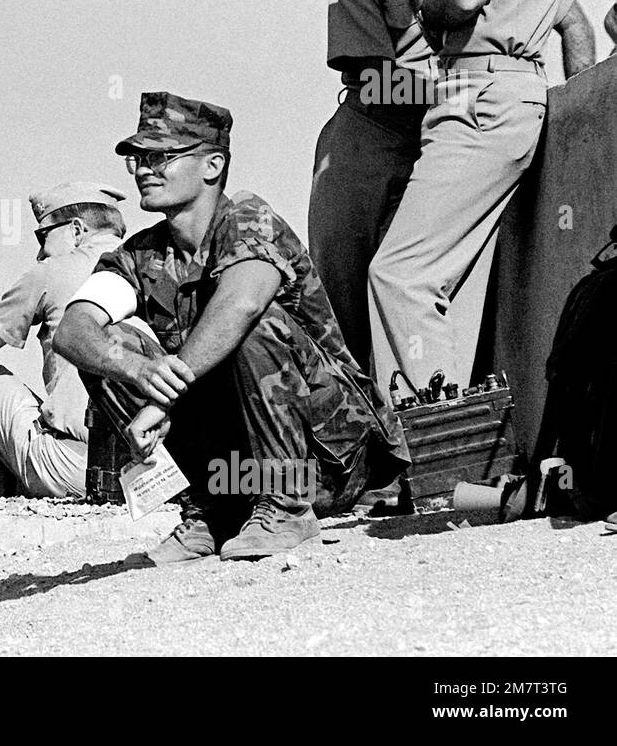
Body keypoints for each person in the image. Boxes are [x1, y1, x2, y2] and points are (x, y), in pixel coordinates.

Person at [54, 92, 409, 563]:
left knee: (254, 325)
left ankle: (286, 508)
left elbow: (242, 302)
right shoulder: (143, 253)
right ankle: (208, 515)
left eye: (161, 156)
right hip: (238, 470)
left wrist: (163, 395)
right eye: (138, 158)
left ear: (212, 165)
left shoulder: (246, 217)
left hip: (333, 457)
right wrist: (137, 371)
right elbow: (73, 328)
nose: (143, 169)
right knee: (113, 347)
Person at [313, 0, 595, 372]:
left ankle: (432, 437)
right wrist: (461, 84)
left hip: (454, 130)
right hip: (370, 151)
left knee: (427, 294)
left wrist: (563, 106)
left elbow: (574, 22)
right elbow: (375, 83)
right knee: (348, 321)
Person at [370, 0, 572, 398]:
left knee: (400, 273)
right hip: (472, 92)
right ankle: (442, 471)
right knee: (436, 289)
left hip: (489, 92)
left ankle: (429, 458)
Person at [0, 182, 127, 498]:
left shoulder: (57, 269)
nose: (40, 251)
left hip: (76, 467)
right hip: (151, 474)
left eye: (43, 236)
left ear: (76, 230)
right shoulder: (147, 267)